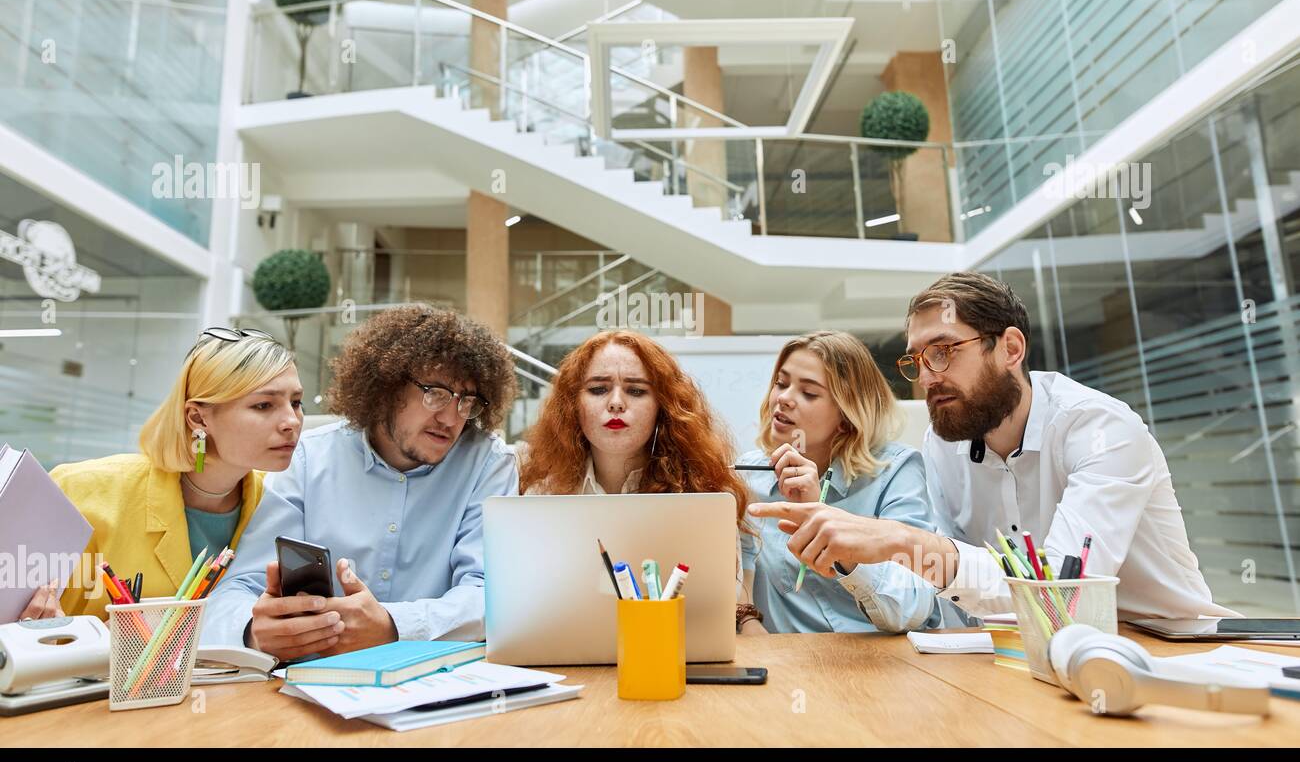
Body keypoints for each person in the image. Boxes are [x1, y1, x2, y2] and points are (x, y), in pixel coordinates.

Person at [750, 272, 1234, 621]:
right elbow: (943, 597)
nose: (928, 377)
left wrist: (905, 542)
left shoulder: (1101, 429)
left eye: (943, 351)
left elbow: (1065, 597)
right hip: (1023, 656)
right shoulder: (943, 444)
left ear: (1010, 349)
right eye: (917, 360)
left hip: (1163, 648)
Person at [201, 305, 519, 660]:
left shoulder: (489, 463)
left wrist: (391, 625)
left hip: (438, 678)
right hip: (311, 684)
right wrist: (254, 631)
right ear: (386, 387)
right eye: (436, 394)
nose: (450, 417)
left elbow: (491, 594)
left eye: (467, 402)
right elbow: (238, 588)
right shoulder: (308, 459)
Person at [20, 328, 302, 622]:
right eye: (263, 405)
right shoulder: (79, 490)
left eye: (296, 402)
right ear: (198, 417)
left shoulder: (279, 508)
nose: (291, 421)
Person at [517, 329, 756, 631]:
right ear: (573, 406)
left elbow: (718, 605)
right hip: (567, 659)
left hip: (673, 655)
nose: (616, 403)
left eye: (636, 391)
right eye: (598, 389)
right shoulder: (542, 496)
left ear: (663, 407)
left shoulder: (705, 494)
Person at [737, 331, 963, 634]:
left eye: (809, 393)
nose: (784, 399)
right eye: (781, 383)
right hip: (791, 667)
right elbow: (737, 591)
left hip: (883, 667)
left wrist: (821, 521)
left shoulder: (896, 471)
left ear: (846, 414)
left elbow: (912, 610)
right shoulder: (751, 475)